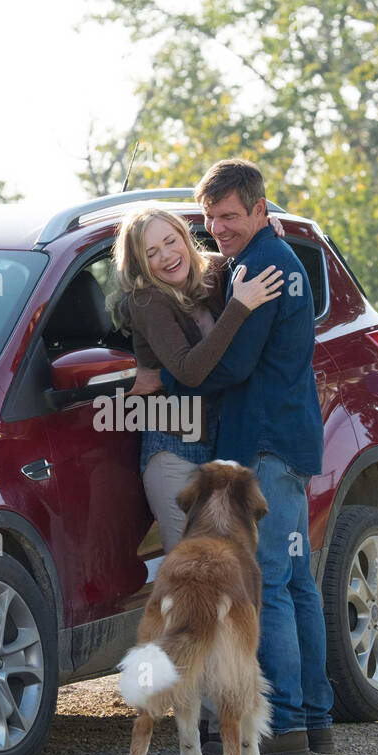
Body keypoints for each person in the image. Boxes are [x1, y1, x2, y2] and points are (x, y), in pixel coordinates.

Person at [159, 158, 334, 755]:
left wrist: (172, 377)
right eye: (209, 218)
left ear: (261, 209)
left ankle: (283, 724)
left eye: (229, 216)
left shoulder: (263, 266)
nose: (218, 228)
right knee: (298, 583)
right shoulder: (270, 260)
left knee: (273, 585)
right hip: (288, 439)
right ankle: (315, 716)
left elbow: (233, 366)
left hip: (265, 445)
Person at [111, 205, 283, 553]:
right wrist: (239, 307)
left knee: (233, 571)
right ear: (141, 265)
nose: (166, 256)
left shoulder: (214, 272)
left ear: (185, 237)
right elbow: (189, 370)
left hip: (225, 447)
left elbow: (244, 251)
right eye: (151, 253)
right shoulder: (147, 300)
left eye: (171, 241)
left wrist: (265, 233)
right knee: (199, 572)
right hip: (175, 449)